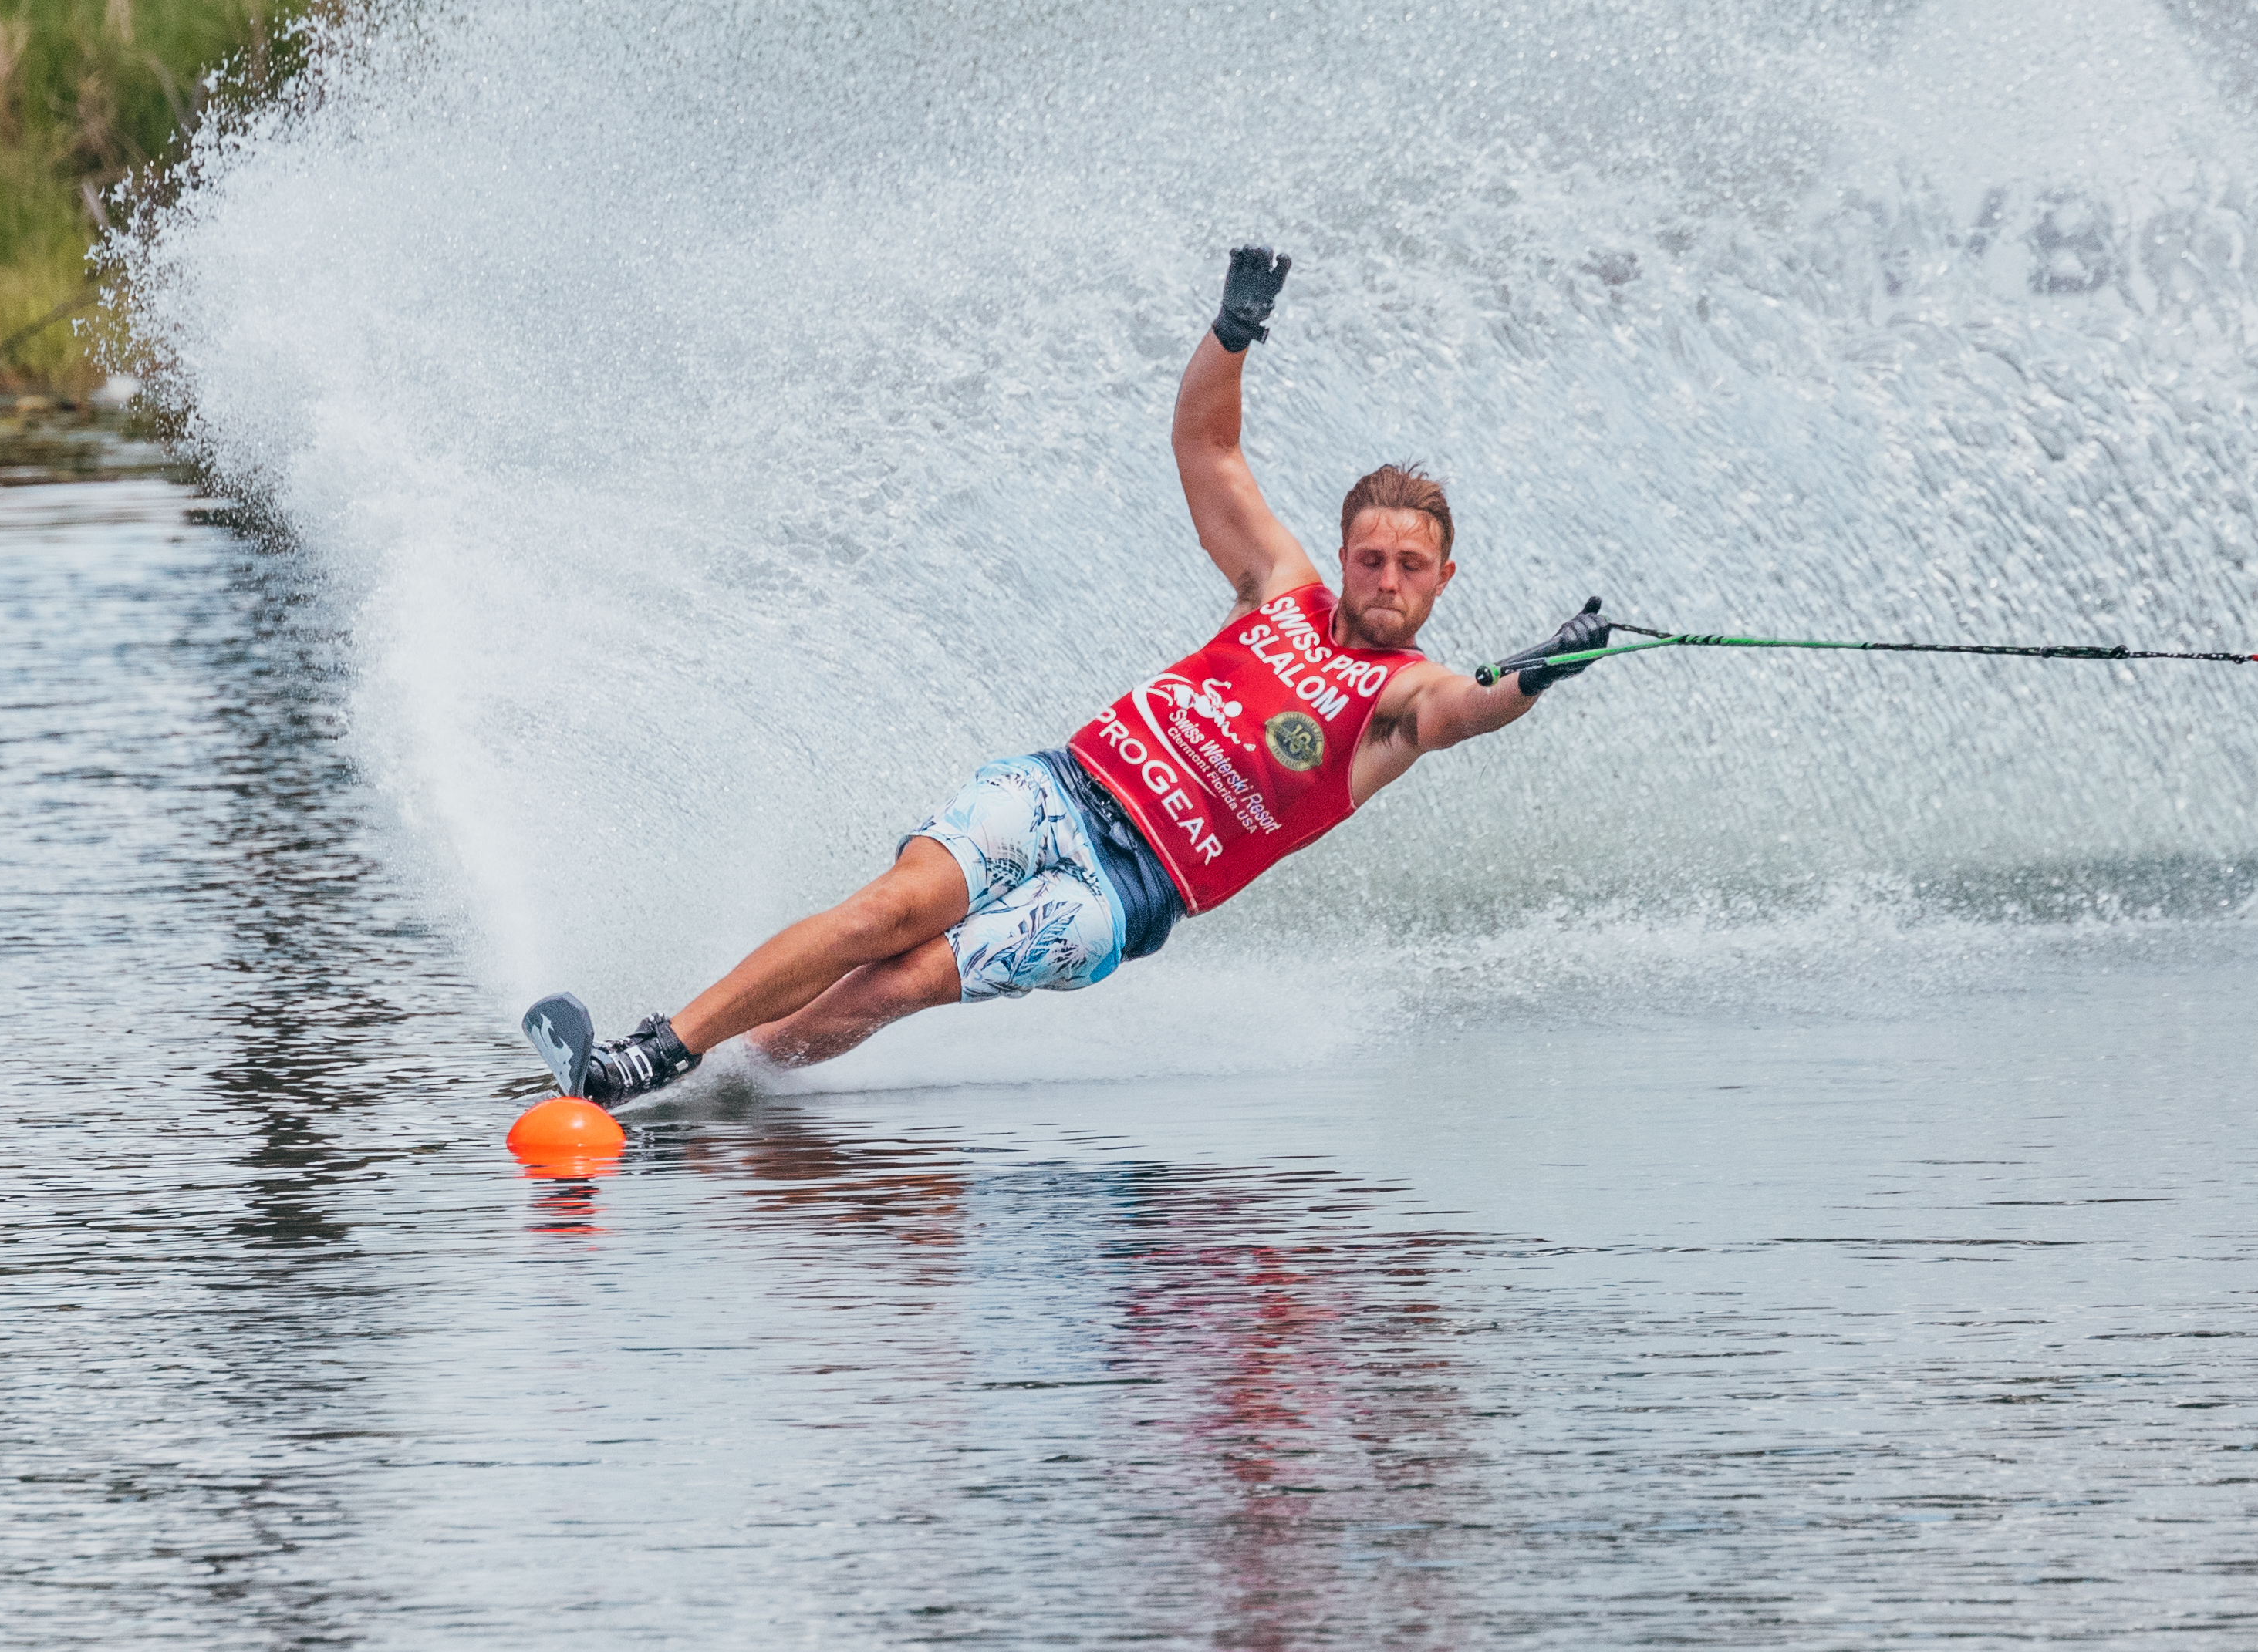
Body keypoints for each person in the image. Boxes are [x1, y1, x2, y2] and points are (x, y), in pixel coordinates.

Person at [533, 248, 1609, 1108]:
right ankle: (657, 1052)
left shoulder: (1398, 698)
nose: (1383, 581)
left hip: (1124, 891)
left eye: (1408, 568)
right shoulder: (1279, 586)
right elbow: (1207, 447)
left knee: (905, 981)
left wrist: (1539, 670)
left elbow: (1468, 711)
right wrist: (1231, 333)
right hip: (1061, 787)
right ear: (1343, 551)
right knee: (887, 910)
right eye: (1369, 557)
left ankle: (731, 1078)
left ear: (1439, 580)